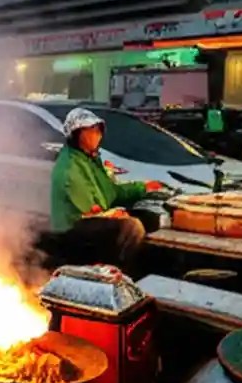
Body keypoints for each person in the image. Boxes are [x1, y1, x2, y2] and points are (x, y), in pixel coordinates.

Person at [46, 107, 163, 268]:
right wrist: (113, 214)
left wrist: (143, 187)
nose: (96, 135)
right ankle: (116, 275)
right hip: (71, 229)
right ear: (77, 134)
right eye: (90, 131)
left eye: (98, 130)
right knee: (130, 227)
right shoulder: (69, 167)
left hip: (93, 218)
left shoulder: (91, 159)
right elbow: (89, 211)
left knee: (149, 216)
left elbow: (112, 191)